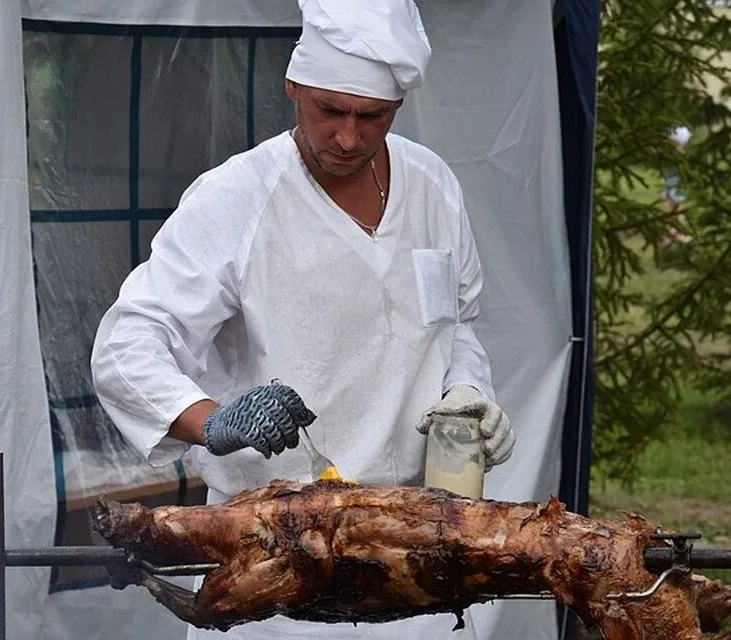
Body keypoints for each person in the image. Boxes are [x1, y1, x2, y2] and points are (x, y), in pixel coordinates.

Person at [90, 1, 515, 638]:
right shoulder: (235, 198)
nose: (347, 137)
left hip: (418, 552)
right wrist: (214, 422)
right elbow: (127, 346)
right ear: (293, 87)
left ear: (395, 109)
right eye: (330, 111)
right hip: (276, 565)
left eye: (370, 116)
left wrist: (468, 393)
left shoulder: (433, 186)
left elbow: (455, 325)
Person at [660, 125, 693, 246]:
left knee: (676, 205)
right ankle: (674, 232)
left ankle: (674, 231)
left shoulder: (673, 156)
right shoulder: (671, 157)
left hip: (676, 185)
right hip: (673, 185)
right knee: (673, 205)